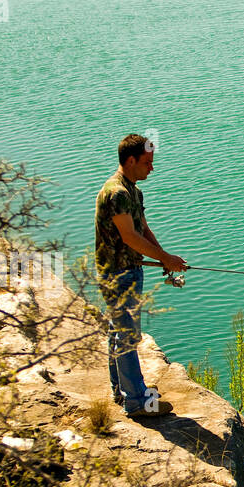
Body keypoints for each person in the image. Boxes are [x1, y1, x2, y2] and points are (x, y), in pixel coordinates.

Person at [94, 134, 188, 418]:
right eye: (147, 162)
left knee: (118, 332)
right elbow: (130, 236)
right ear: (131, 160)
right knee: (126, 336)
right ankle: (136, 402)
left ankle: (120, 390)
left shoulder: (133, 191)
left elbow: (143, 230)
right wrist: (164, 258)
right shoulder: (117, 193)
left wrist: (164, 257)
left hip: (130, 271)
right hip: (117, 274)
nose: (152, 168)